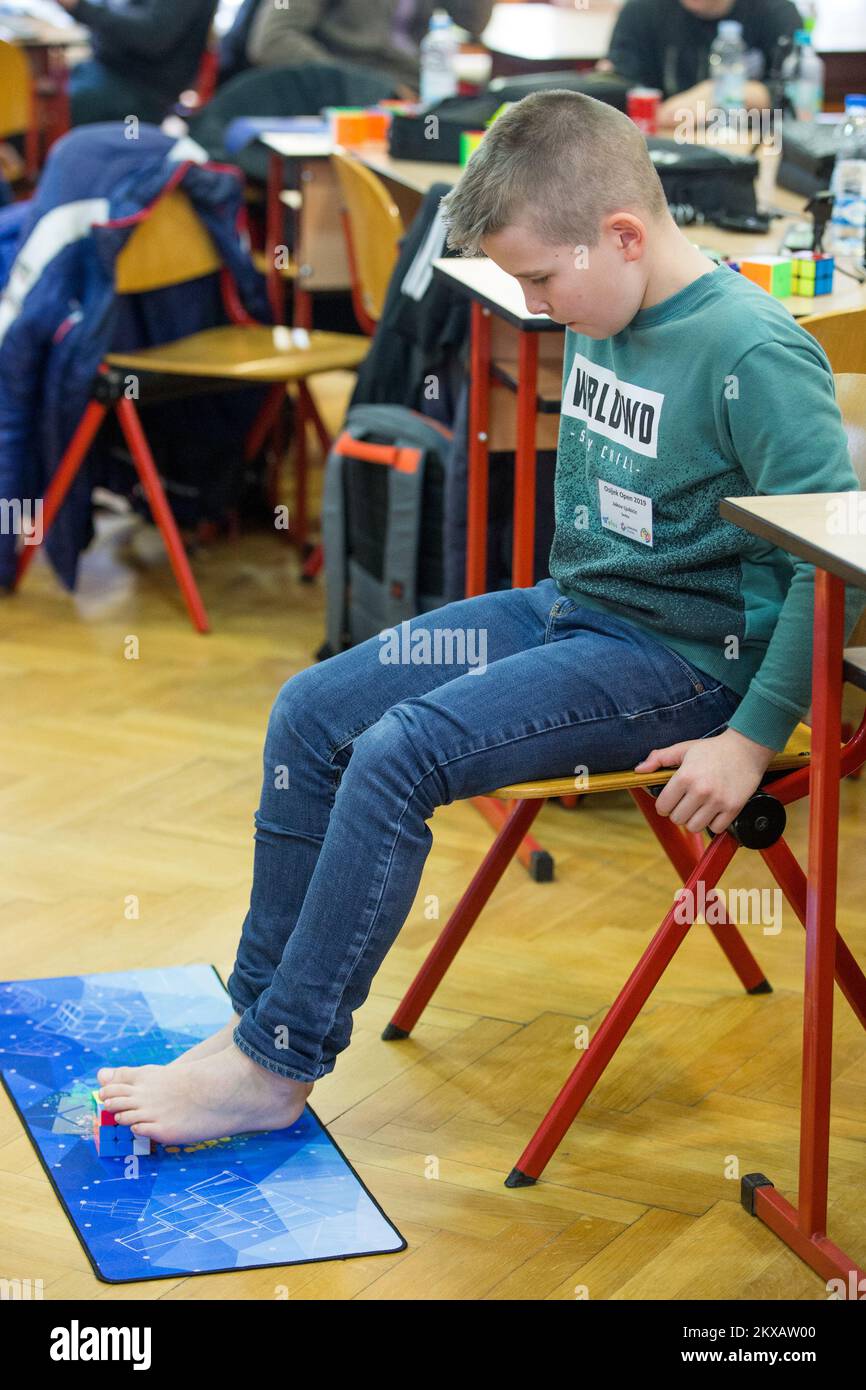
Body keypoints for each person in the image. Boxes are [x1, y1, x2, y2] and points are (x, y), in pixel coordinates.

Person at [94, 90, 864, 1145]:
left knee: (400, 752)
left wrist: (748, 737)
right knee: (310, 711)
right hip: (577, 609)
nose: (534, 306)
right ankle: (253, 1028)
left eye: (541, 279)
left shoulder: (749, 352)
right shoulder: (611, 296)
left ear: (624, 235)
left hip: (687, 661)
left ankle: (278, 1066)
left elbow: (838, 564)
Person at [601, 0, 802, 128]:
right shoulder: (640, 11)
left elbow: (797, 94)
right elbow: (619, 94)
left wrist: (719, 94)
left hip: (748, 150)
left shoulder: (776, 12)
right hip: (661, 151)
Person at [244, 0, 495, 95]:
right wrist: (366, 87)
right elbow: (273, 41)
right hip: (342, 99)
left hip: (414, 96)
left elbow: (474, 21)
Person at [56, 0, 218, 125]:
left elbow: (152, 37)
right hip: (106, 71)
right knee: (46, 87)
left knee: (52, 109)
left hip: (141, 91)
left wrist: (79, 7)